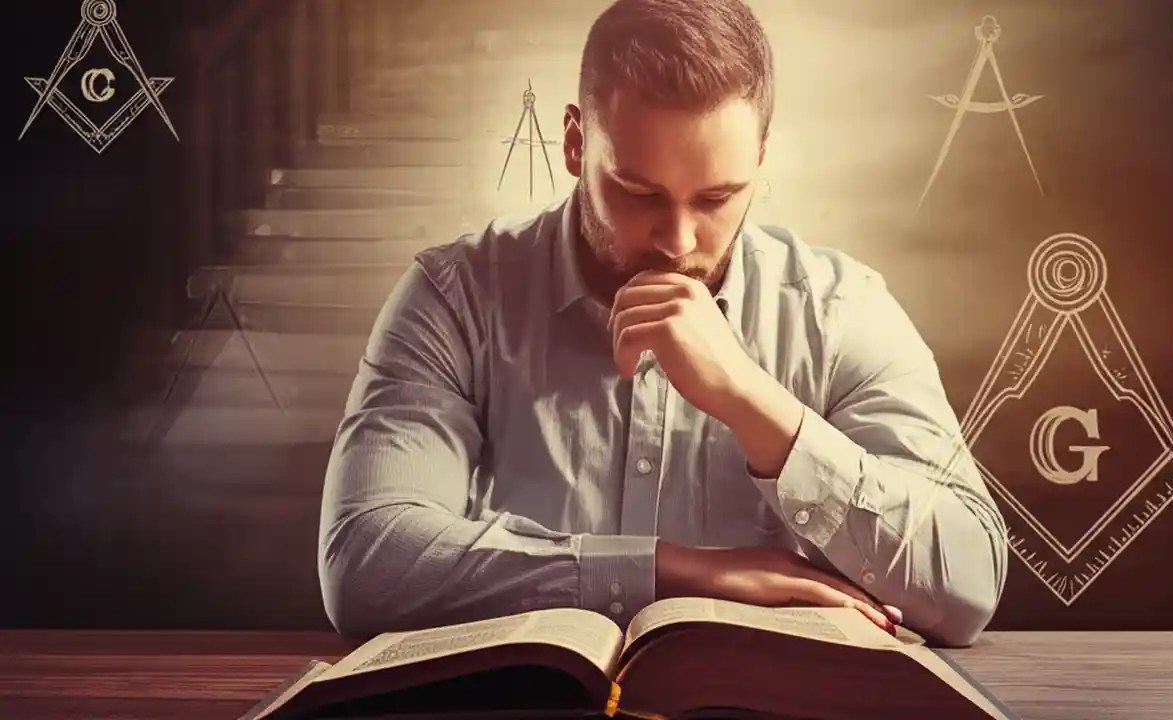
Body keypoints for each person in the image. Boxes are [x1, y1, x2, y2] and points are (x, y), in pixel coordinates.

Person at [318, 0, 1008, 648]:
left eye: (717, 197)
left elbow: (969, 583)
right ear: (573, 142)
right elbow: (367, 561)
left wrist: (754, 402)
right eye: (637, 192)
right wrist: (678, 574)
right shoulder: (457, 296)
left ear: (761, 159)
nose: (678, 241)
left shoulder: (839, 310)